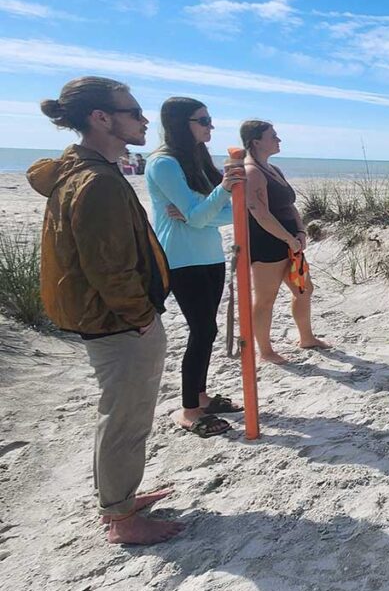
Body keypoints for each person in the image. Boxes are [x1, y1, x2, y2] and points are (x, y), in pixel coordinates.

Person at [27, 76, 182, 545]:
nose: (143, 119)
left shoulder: (87, 172)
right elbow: (108, 268)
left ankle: (119, 500)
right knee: (126, 417)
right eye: (133, 112)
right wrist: (139, 316)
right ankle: (121, 519)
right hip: (117, 323)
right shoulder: (96, 181)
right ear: (101, 118)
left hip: (108, 320)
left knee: (120, 412)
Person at [146, 97, 246, 438]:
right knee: (202, 330)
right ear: (179, 123)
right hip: (180, 258)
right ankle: (189, 410)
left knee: (208, 330)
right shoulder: (163, 163)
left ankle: (201, 396)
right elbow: (204, 213)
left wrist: (201, 211)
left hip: (209, 255)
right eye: (203, 120)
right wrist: (219, 193)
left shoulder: (197, 159)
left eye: (210, 119)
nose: (210, 126)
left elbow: (222, 215)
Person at [240, 120, 329, 363]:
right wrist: (288, 238)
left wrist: (300, 231)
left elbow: (289, 205)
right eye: (273, 136)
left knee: (303, 289)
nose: (278, 140)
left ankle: (306, 337)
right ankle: (266, 351)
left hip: (291, 242)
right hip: (267, 244)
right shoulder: (252, 172)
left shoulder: (273, 169)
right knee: (266, 298)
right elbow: (260, 213)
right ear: (256, 141)